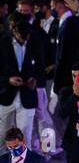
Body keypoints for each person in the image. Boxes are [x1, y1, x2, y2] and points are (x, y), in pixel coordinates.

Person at [0, 17, 45, 145]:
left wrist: (34, 79)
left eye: (27, 36)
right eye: (21, 36)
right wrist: (8, 80)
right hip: (6, 95)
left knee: (25, 134)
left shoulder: (34, 42)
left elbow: (41, 67)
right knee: (3, 134)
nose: (24, 39)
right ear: (14, 31)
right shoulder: (2, 43)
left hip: (27, 95)